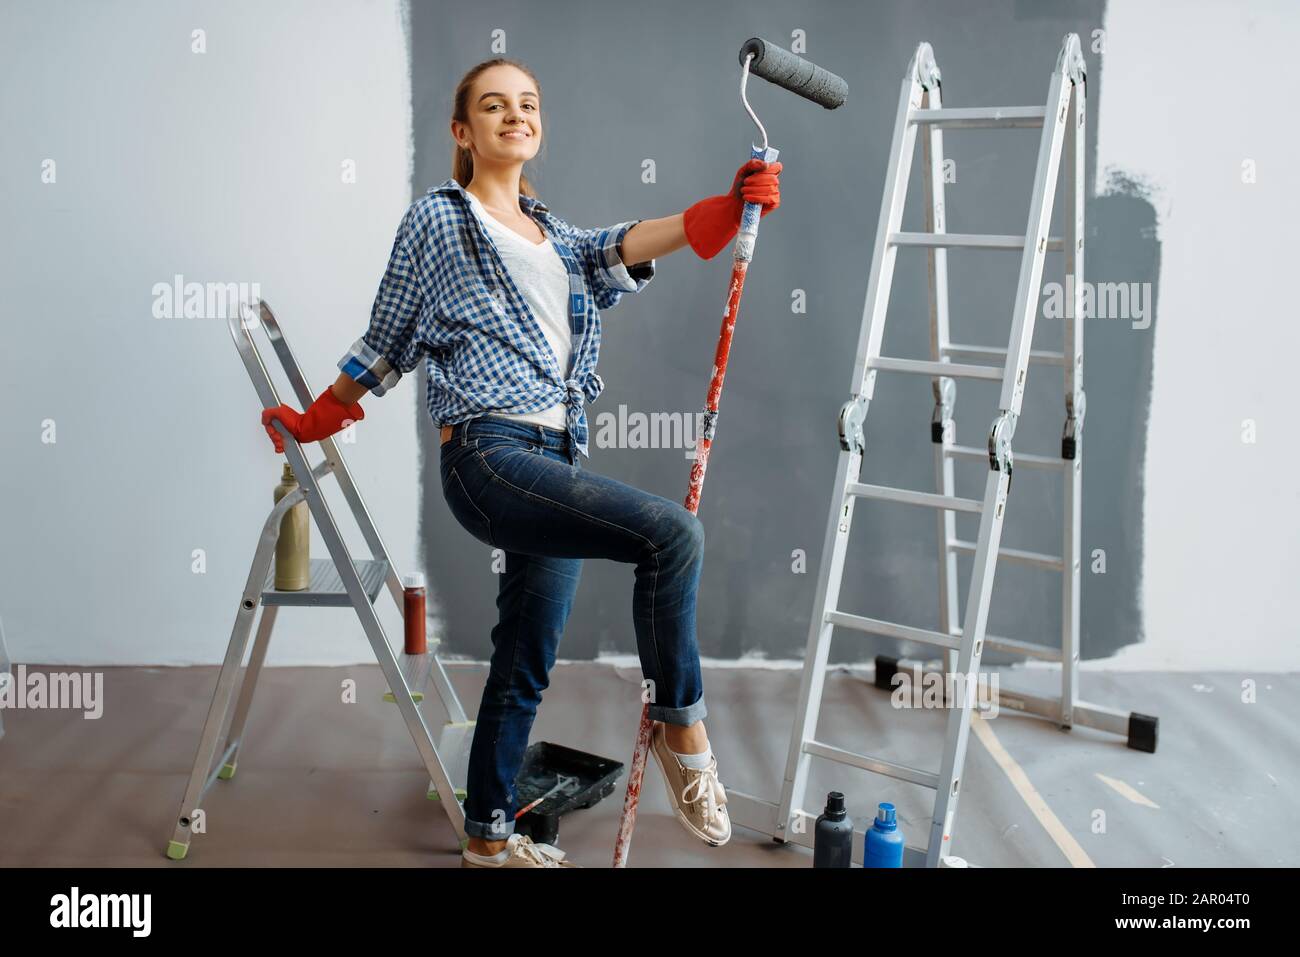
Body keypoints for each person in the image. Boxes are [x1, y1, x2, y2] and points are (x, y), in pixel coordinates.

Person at [262, 57, 781, 868]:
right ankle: (685, 730)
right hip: (488, 453)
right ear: (462, 131)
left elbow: (621, 246)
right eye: (495, 105)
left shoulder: (552, 233)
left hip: (556, 456)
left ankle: (487, 836)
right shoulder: (439, 220)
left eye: (529, 104)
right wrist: (322, 413)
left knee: (524, 659)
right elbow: (389, 335)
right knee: (672, 536)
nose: (517, 115)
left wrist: (723, 206)